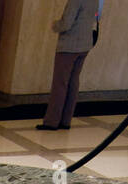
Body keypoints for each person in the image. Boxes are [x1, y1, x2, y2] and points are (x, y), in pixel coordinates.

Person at [39, 0, 100, 130]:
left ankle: (52, 121)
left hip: (69, 46)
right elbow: (97, 17)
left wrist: (54, 25)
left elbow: (66, 24)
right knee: (73, 82)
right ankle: (66, 120)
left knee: (60, 83)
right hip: (85, 44)